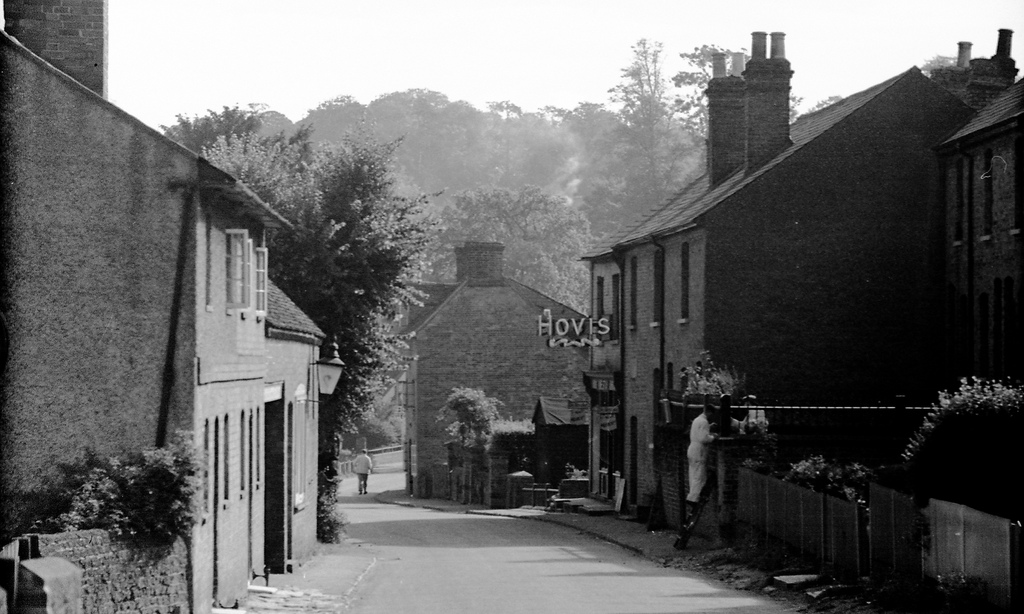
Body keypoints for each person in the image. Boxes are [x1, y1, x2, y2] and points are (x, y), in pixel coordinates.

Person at [686, 403, 718, 511]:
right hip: (699, 450)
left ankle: (692, 494)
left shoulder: (696, 420)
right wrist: (713, 437)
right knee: (699, 475)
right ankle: (694, 498)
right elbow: (703, 438)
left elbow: (698, 433)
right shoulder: (704, 422)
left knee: (693, 472)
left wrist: (709, 427)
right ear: (709, 412)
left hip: (692, 448)